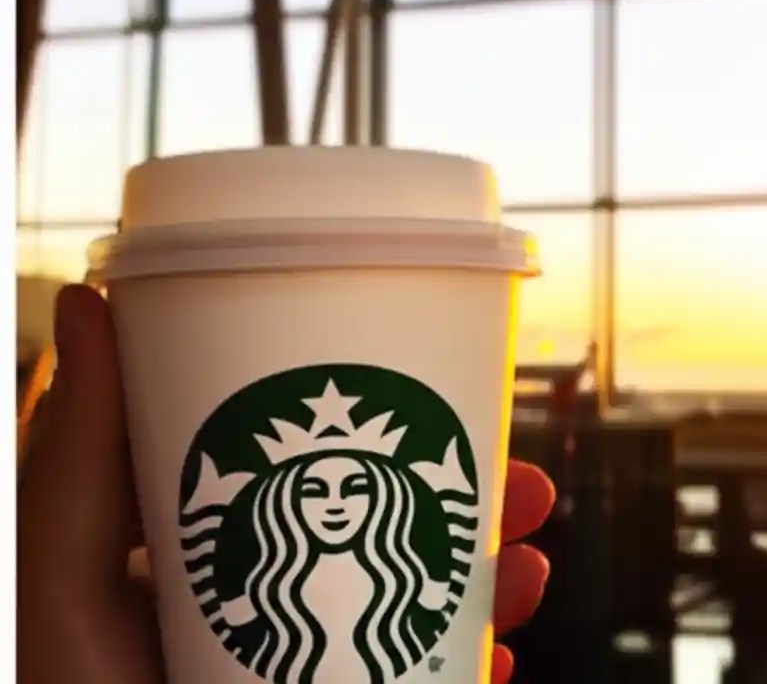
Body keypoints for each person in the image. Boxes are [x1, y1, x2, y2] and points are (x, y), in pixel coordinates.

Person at [16, 285, 555, 683]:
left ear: (388, 498)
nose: (336, 505)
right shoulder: (258, 600)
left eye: (356, 489)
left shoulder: (411, 591)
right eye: (314, 490)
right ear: (284, 502)